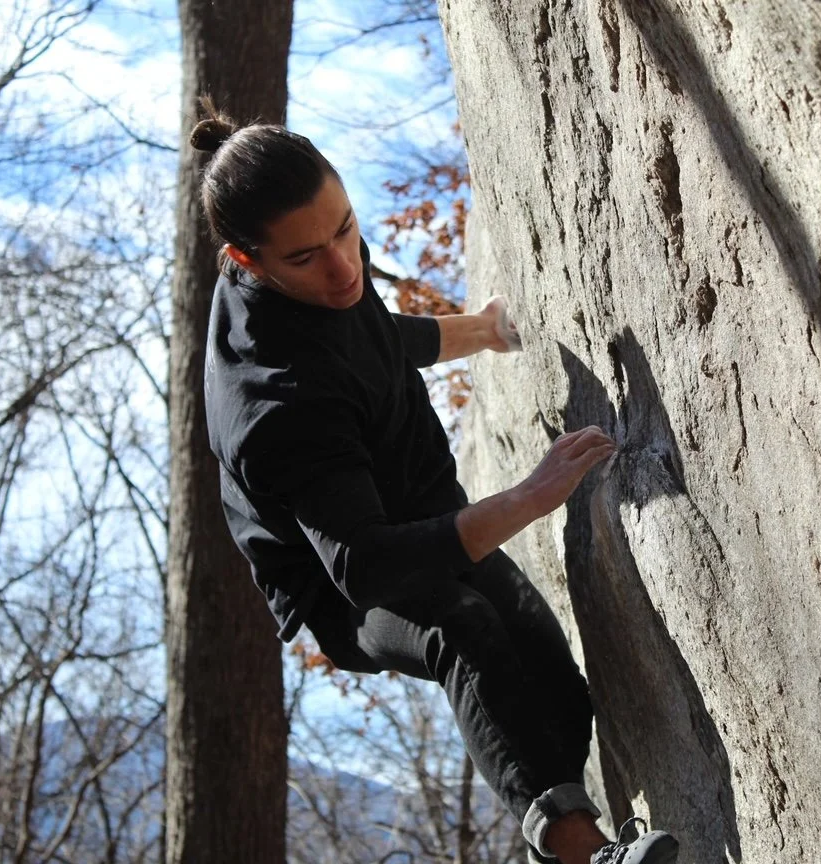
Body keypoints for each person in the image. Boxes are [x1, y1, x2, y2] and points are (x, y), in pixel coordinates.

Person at [193, 97, 678, 864]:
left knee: (547, 673)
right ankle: (585, 855)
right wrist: (526, 497)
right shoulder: (273, 398)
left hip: (419, 515)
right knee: (462, 627)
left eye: (346, 227)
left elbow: (373, 341)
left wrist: (480, 331)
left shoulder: (311, 275)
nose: (343, 265)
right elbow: (367, 566)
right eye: (306, 257)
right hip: (344, 587)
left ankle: (566, 830)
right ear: (244, 258)